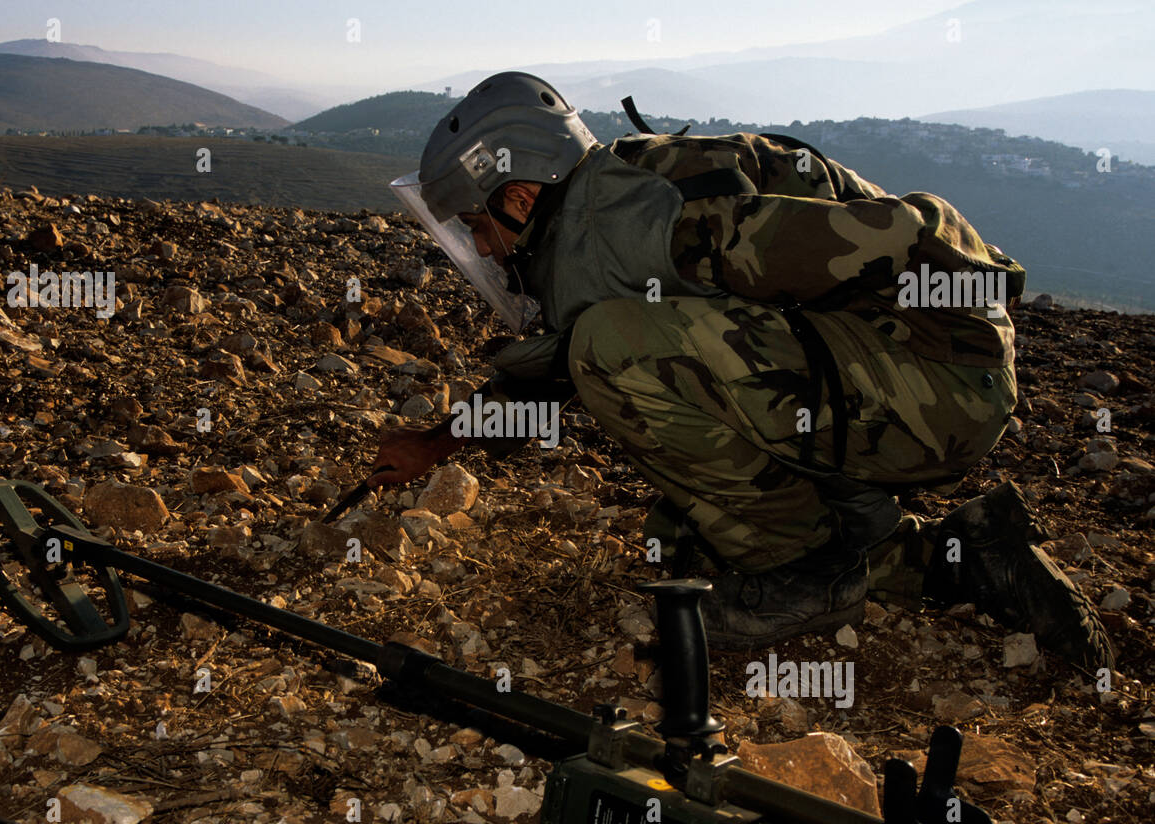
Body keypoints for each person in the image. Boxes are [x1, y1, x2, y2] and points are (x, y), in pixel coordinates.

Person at [376, 71, 1115, 671]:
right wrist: (433, 446)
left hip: (943, 382)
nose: (483, 245)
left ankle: (810, 573)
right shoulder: (601, 210)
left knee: (615, 351)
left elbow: (891, 236)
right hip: (894, 371)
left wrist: (979, 288)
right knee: (688, 522)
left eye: (477, 224)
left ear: (517, 193)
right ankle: (960, 558)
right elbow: (547, 374)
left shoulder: (646, 219)